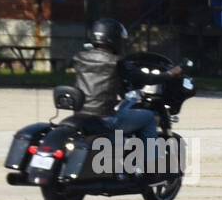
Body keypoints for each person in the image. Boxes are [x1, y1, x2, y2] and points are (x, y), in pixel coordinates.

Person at [70, 17, 182, 145]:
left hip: (81, 116)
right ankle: (152, 160)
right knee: (149, 117)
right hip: (106, 119)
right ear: (115, 38)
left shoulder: (79, 58)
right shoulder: (117, 62)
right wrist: (170, 73)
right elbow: (148, 79)